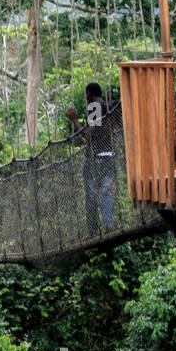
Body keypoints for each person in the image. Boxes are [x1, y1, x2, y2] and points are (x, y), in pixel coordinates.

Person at [65, 82, 117, 236]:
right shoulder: (111, 107)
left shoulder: (94, 107)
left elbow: (89, 136)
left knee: (91, 196)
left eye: (86, 94)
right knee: (105, 193)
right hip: (110, 156)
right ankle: (109, 225)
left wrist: (74, 120)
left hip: (95, 159)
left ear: (89, 94)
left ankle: (93, 232)